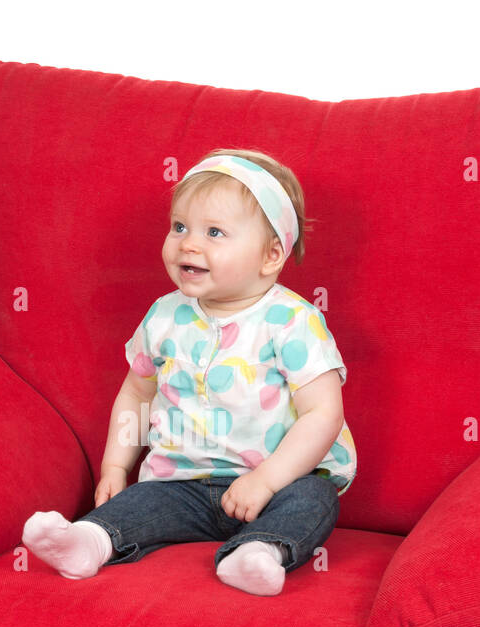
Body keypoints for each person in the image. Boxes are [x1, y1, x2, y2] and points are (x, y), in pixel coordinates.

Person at [21, 149, 356, 596]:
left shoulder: (294, 322)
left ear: (271, 254)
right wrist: (116, 466)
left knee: (314, 499)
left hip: (274, 484)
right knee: (138, 502)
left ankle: (258, 551)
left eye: (214, 232)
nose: (188, 244)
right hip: (181, 485)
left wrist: (266, 479)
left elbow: (323, 415)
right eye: (180, 227)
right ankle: (90, 541)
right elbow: (137, 394)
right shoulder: (164, 316)